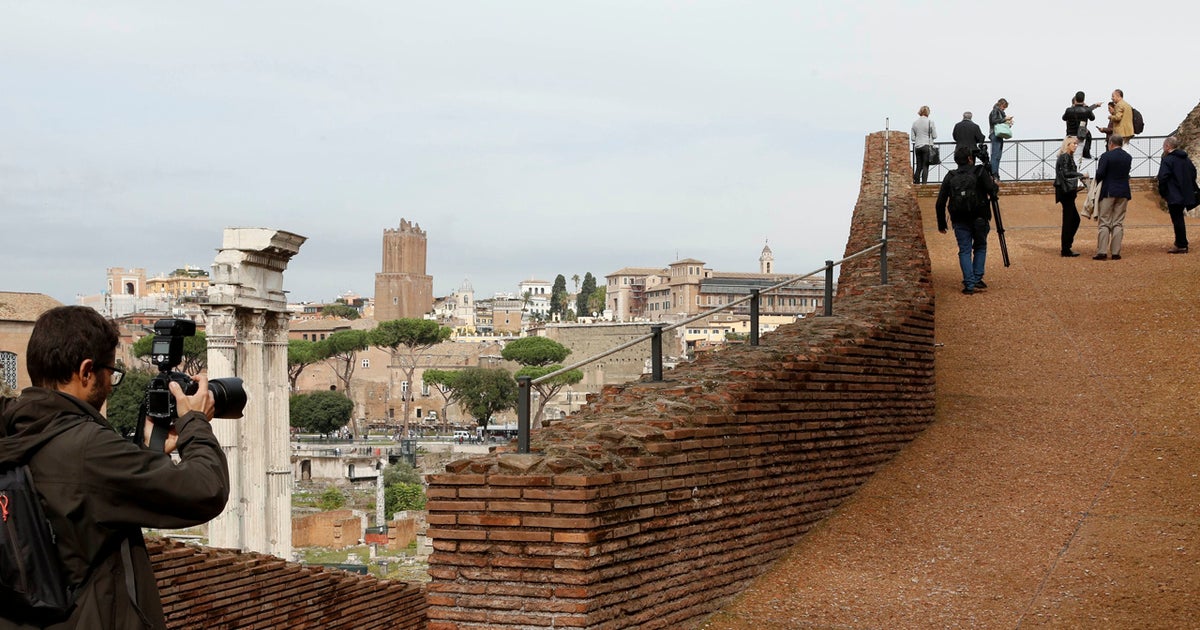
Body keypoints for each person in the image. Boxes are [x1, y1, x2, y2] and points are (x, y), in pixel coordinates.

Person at [0, 306, 229, 629]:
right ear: (86, 372)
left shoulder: (17, 429)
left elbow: (83, 496)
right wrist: (195, 422)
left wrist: (144, 452)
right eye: (111, 373)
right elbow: (206, 489)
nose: (110, 384)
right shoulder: (89, 449)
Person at [936, 146, 999, 294]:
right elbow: (992, 191)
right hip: (979, 217)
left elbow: (940, 202)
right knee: (980, 247)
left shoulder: (950, 176)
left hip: (959, 219)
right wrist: (994, 184)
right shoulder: (980, 172)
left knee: (964, 250)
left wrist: (941, 224)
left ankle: (969, 284)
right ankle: (977, 278)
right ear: (970, 159)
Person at [1093, 134, 1133, 260]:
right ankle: (1116, 252)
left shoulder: (1106, 156)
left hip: (1108, 191)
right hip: (1123, 191)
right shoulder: (1128, 157)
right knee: (1118, 222)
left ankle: (1102, 251)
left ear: (1111, 143)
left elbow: (1100, 173)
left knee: (1104, 222)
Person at [1157, 135, 1198, 254]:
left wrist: (1163, 192)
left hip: (1173, 194)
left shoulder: (1168, 160)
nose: (1163, 147)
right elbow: (1193, 173)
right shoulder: (1186, 159)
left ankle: (1181, 244)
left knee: (1177, 219)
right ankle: (1181, 243)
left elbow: (1162, 178)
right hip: (1184, 193)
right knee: (1179, 218)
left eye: (1164, 145)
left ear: (1168, 146)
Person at [1054, 136, 1089, 257]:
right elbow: (1066, 173)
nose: (1075, 145)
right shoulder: (1065, 157)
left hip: (1066, 193)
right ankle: (1065, 248)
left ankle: (1067, 246)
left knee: (1073, 220)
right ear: (1067, 145)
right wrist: (1081, 174)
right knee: (1070, 220)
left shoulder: (1067, 157)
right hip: (1066, 193)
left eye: (1076, 144)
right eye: (1073, 143)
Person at [1063, 91, 1102, 159]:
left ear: (1075, 99)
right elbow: (1092, 118)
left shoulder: (1069, 110)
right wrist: (1088, 106)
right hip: (1080, 136)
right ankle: (1076, 169)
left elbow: (1064, 118)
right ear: (1083, 99)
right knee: (1077, 156)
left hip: (1069, 136)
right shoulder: (1086, 110)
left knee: (1068, 156)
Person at [911, 105, 937, 184]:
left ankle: (916, 184)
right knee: (925, 166)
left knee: (918, 166)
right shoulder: (930, 122)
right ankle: (924, 184)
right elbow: (934, 136)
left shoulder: (915, 123)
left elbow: (912, 138)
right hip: (926, 145)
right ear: (928, 112)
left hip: (917, 146)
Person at [988, 98, 1013, 179]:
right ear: (1000, 104)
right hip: (995, 134)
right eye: (1004, 106)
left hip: (998, 134)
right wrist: (1005, 119)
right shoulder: (995, 110)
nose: (1004, 108)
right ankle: (994, 174)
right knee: (995, 155)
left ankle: (995, 174)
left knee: (998, 155)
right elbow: (994, 120)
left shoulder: (1000, 112)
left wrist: (1008, 123)